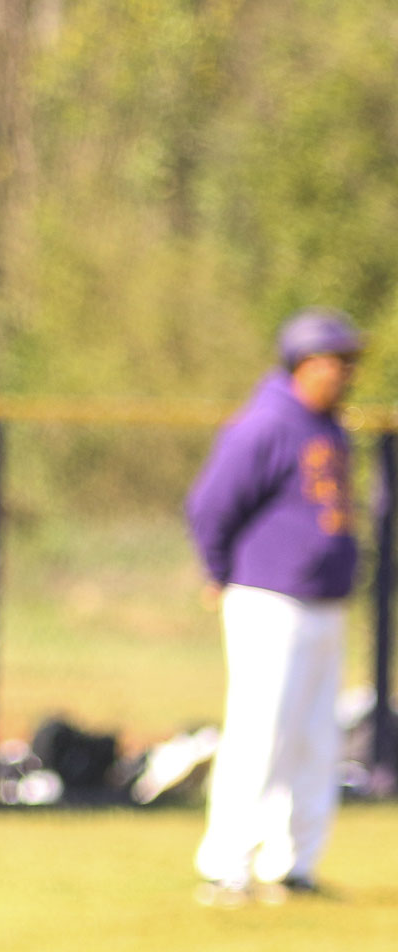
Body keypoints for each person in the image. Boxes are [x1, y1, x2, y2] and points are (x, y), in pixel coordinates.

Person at [186, 307, 360, 906]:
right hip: (268, 599)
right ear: (305, 364)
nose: (346, 374)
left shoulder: (329, 426)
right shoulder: (265, 424)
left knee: (315, 739)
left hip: (324, 603)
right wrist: (217, 571)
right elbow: (209, 503)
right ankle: (225, 865)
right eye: (337, 362)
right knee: (260, 733)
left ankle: (293, 865)